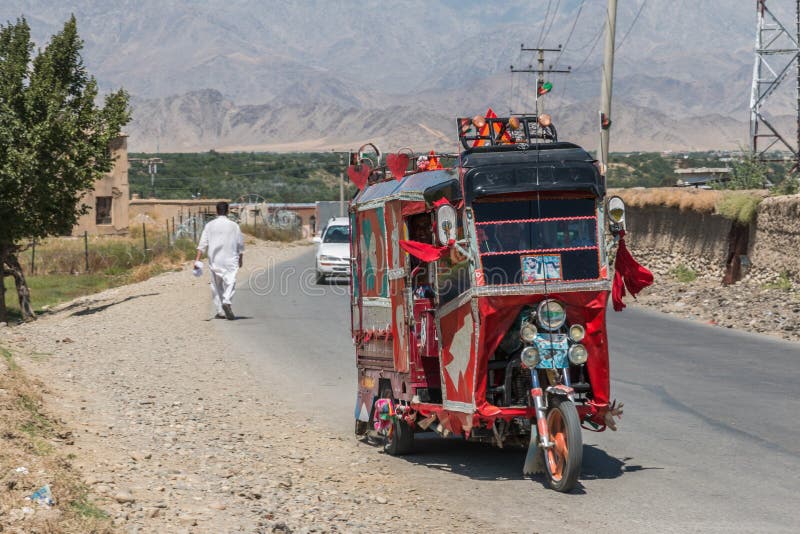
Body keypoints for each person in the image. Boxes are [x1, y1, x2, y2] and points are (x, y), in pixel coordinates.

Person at [194, 202, 244, 320]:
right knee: (230, 281)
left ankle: (221, 311)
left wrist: (197, 260)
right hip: (230, 258)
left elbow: (202, 244)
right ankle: (227, 301)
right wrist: (241, 258)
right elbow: (240, 244)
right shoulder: (234, 226)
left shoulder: (210, 225)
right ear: (227, 211)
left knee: (216, 285)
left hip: (215, 259)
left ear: (216, 211)